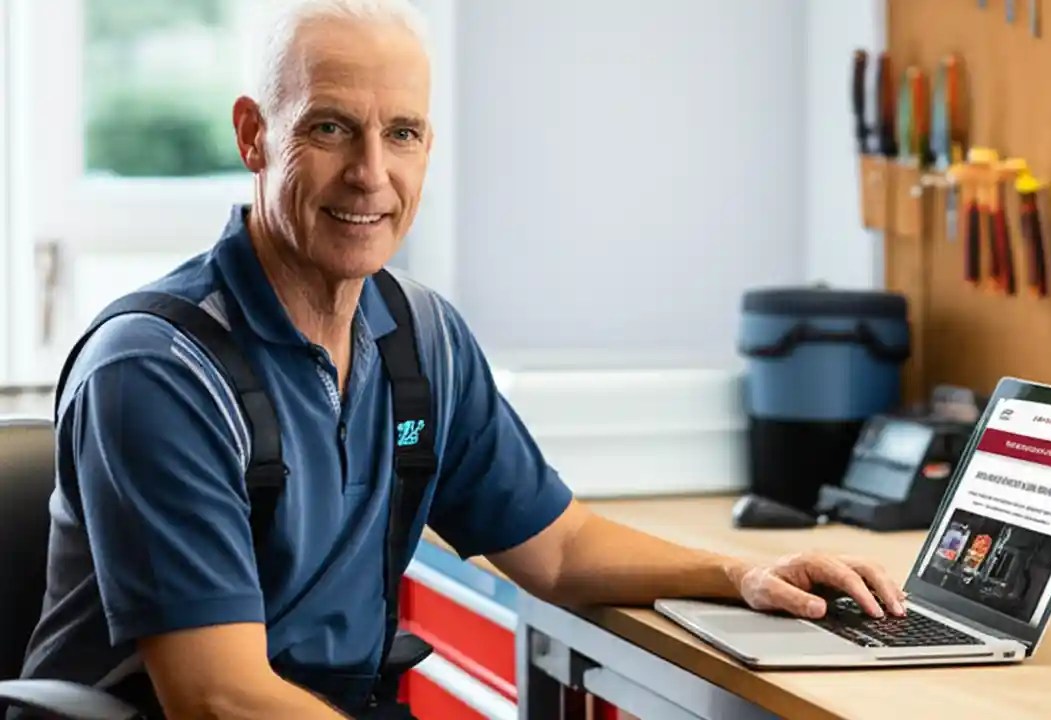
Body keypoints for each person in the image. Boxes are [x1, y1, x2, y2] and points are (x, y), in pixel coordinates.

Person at [16, 0, 905, 717]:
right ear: (254, 135)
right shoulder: (157, 372)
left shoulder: (419, 339)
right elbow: (218, 698)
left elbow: (556, 547)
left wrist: (740, 573)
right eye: (330, 129)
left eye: (401, 133)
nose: (372, 174)